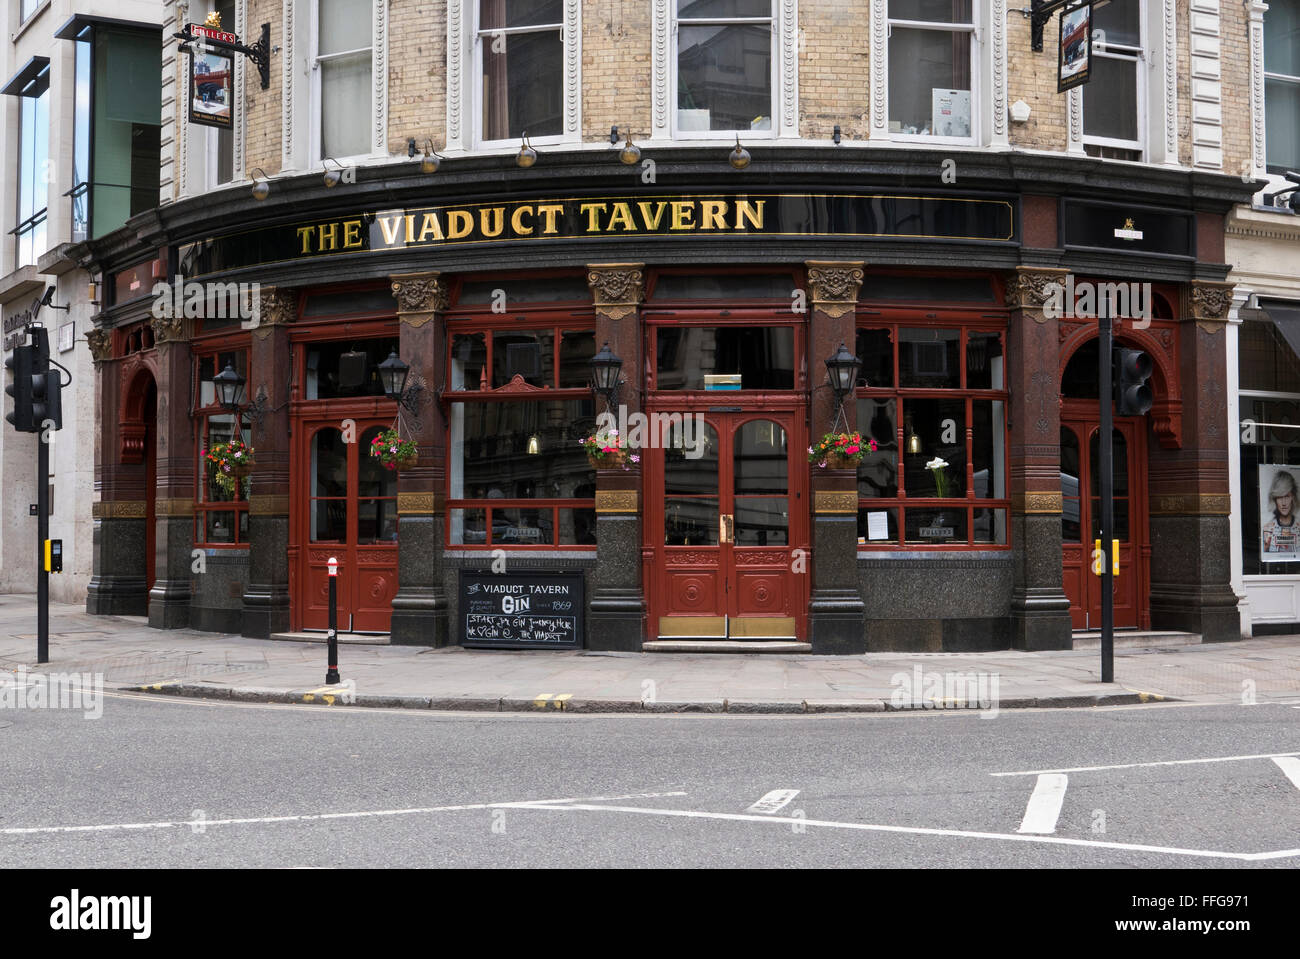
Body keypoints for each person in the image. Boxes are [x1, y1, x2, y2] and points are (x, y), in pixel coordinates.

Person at [1262, 470, 1299, 554]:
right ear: (1274, 499)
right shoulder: (1267, 529)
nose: (1283, 503)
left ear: (1293, 497)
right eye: (1279, 497)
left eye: (1287, 496)